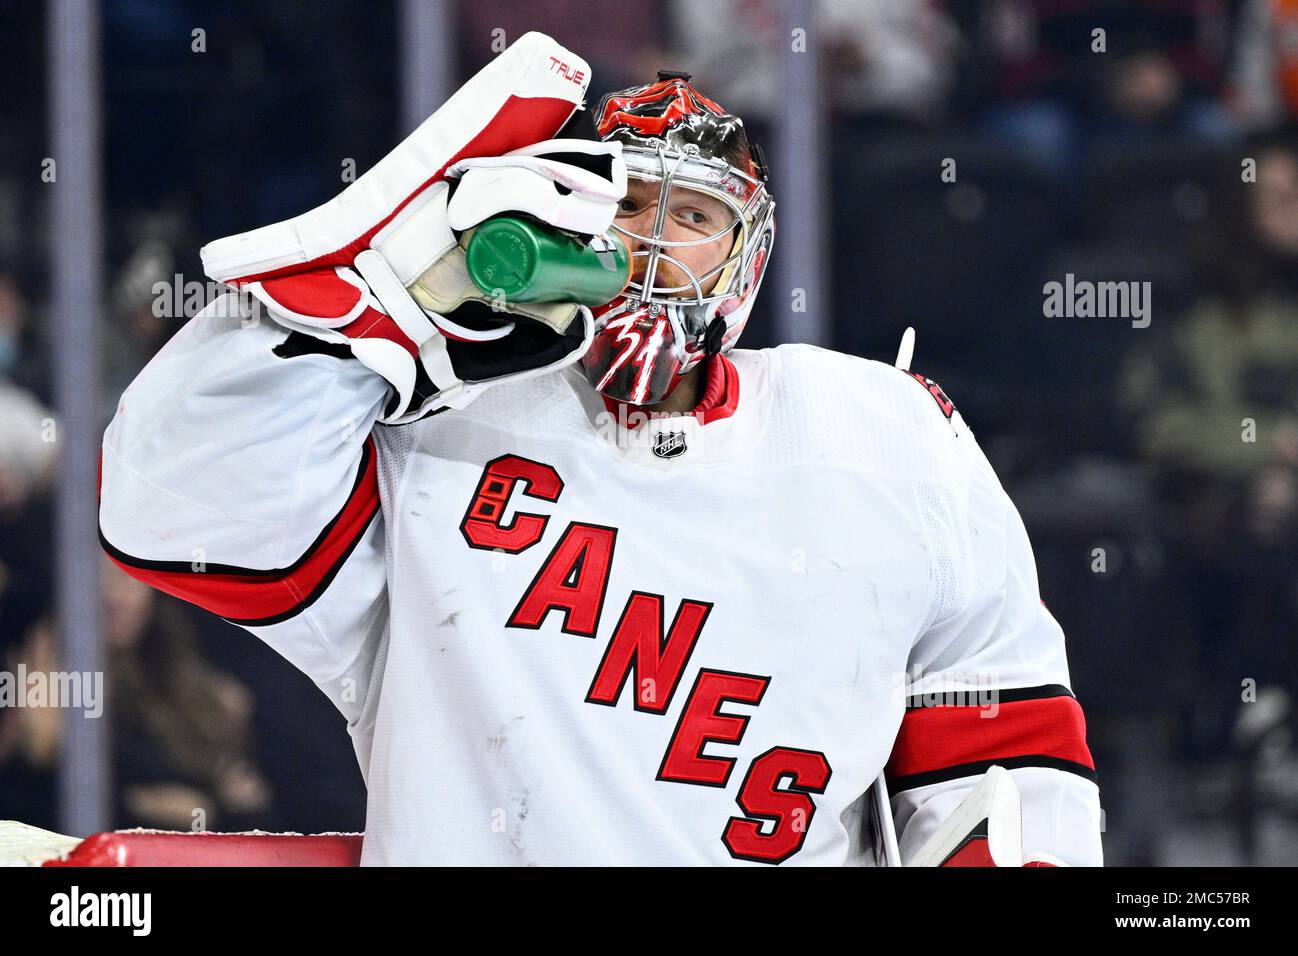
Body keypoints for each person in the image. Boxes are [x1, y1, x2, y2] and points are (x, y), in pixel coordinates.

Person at [99, 34, 1100, 865]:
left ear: (748, 258)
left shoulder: (883, 433)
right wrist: (388, 308)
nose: (653, 242)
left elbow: (998, 744)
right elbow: (172, 504)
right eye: (622, 204)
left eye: (695, 216)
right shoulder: (424, 423)